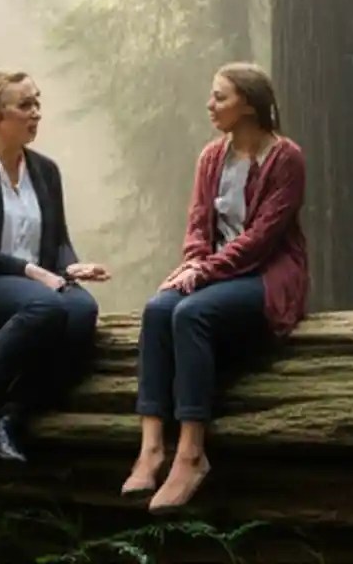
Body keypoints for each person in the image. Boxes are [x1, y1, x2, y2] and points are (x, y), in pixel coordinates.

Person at [121, 62, 309, 514]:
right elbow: (197, 226)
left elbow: (261, 240)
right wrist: (193, 263)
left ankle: (191, 453)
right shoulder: (211, 157)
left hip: (264, 274)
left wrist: (203, 273)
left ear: (249, 105)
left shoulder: (286, 158)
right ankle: (151, 447)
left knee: (192, 313)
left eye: (220, 97)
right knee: (157, 309)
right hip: (212, 271)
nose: (210, 105)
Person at [0, 69, 111, 475]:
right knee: (45, 306)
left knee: (82, 311)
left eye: (37, 103)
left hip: (35, 284)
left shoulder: (46, 171)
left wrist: (70, 265)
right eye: (25, 105)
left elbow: (57, 240)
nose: (36, 113)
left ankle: (12, 415)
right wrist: (29, 271)